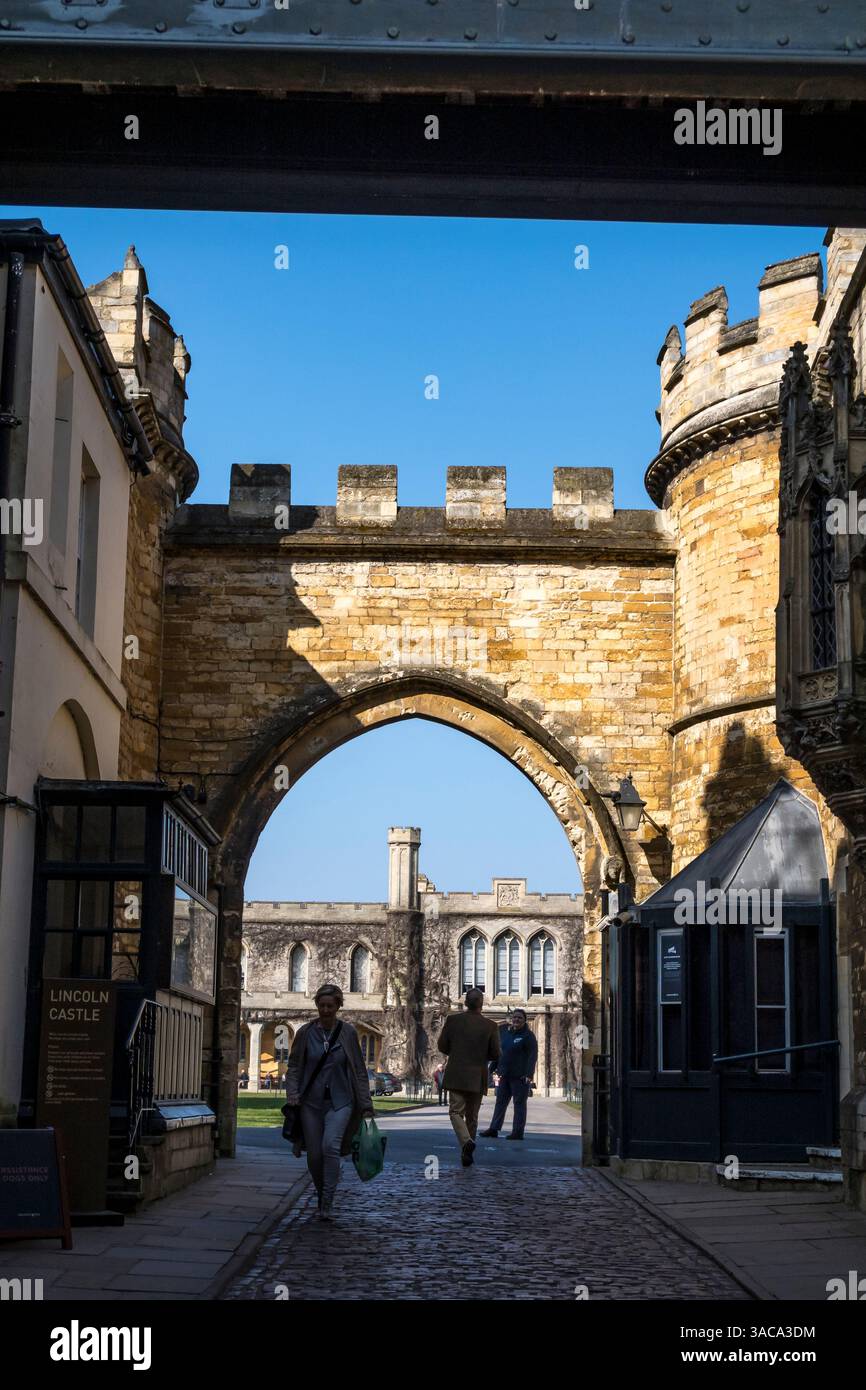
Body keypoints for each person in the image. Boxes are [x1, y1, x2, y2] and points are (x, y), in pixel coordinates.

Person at [284, 983, 374, 1219]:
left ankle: (327, 1200)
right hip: (311, 1103)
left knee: (330, 1147)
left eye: (330, 1006)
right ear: (316, 1005)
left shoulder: (348, 1033)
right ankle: (322, 1191)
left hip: (341, 1101)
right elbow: (294, 1066)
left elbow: (359, 1070)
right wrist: (292, 1092)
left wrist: (365, 1105)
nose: (325, 1010)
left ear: (338, 1006)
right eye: (322, 1006)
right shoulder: (305, 1033)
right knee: (314, 1156)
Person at [436, 988, 500, 1167]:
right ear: (482, 1004)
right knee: (472, 1117)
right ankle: (467, 1153)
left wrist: (457, 1053)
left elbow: (442, 1045)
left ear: (465, 1003)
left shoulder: (453, 1021)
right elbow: (495, 1053)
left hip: (457, 1074)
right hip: (477, 1075)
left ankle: (466, 1143)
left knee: (456, 1112)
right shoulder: (490, 1026)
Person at [480, 1009, 538, 1140]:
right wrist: (493, 1068)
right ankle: (494, 1129)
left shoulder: (528, 1036)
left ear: (524, 1020)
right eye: (515, 1017)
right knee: (500, 1103)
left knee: (519, 1104)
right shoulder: (506, 1034)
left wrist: (529, 1074)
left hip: (520, 1076)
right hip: (504, 1075)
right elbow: (499, 1053)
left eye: (520, 1018)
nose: (516, 1020)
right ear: (512, 1019)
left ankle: (517, 1132)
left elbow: (532, 1057)